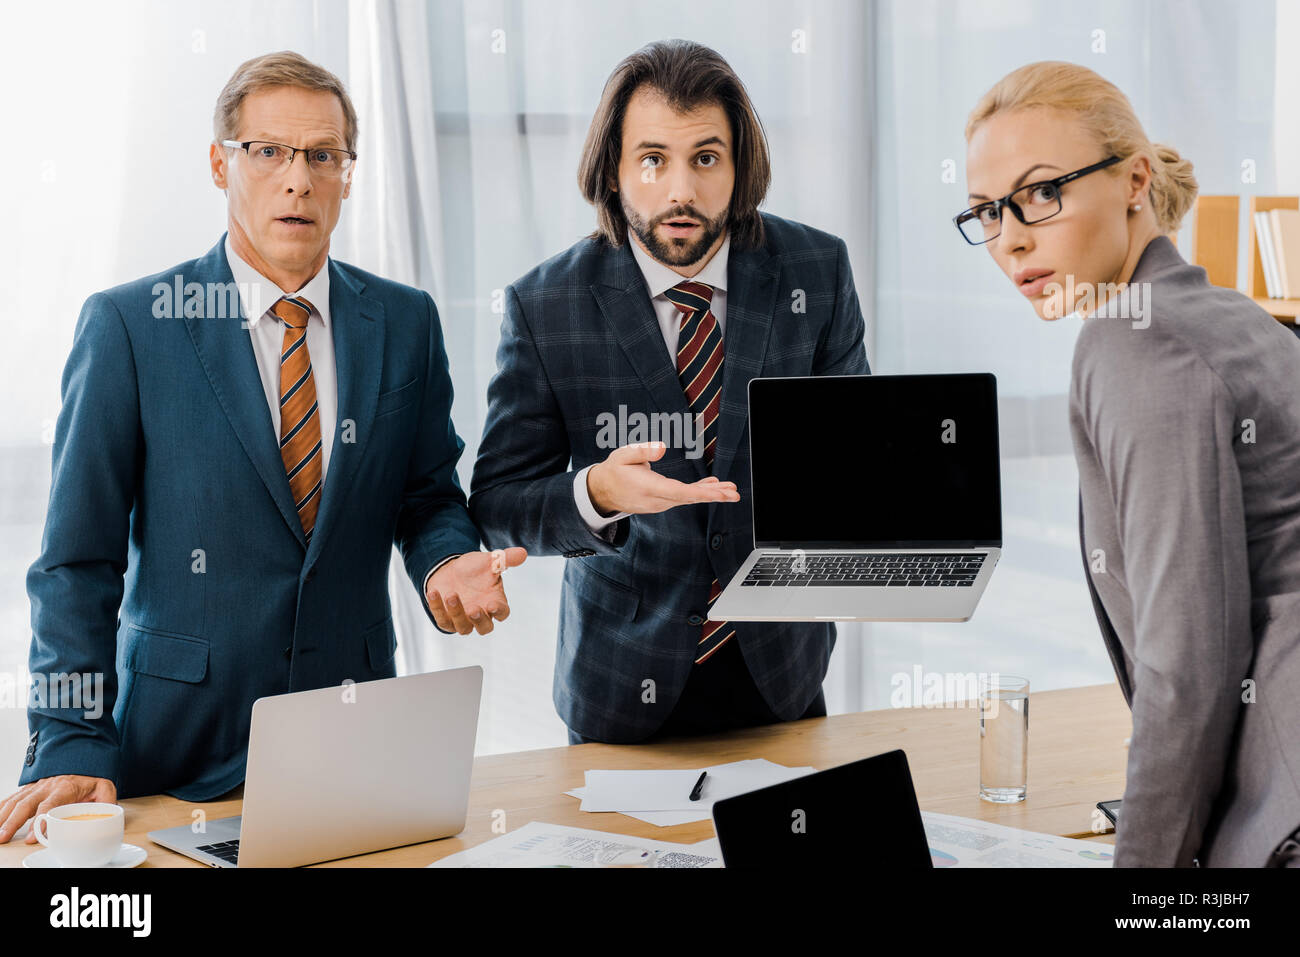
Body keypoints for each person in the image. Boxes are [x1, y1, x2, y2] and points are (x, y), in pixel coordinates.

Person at [0, 51, 524, 845]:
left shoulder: (405, 321)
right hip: (175, 758)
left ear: (348, 174)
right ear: (221, 163)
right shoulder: (130, 326)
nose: (297, 178)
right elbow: (76, 562)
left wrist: (446, 560)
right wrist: (70, 737)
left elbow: (427, 497)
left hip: (354, 752)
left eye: (323, 155)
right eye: (267, 151)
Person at [470, 40, 869, 744]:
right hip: (622, 684)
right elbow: (499, 503)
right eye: (653, 160)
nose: (680, 190)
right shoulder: (545, 303)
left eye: (706, 159)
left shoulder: (817, 268)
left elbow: (853, 448)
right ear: (614, 171)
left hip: (783, 674)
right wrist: (595, 493)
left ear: (739, 167)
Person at [958, 60, 1300, 867]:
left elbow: (1187, 666)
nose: (1011, 236)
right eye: (985, 211)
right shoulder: (1231, 315)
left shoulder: (1132, 338)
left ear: (1134, 179)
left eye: (1043, 193)